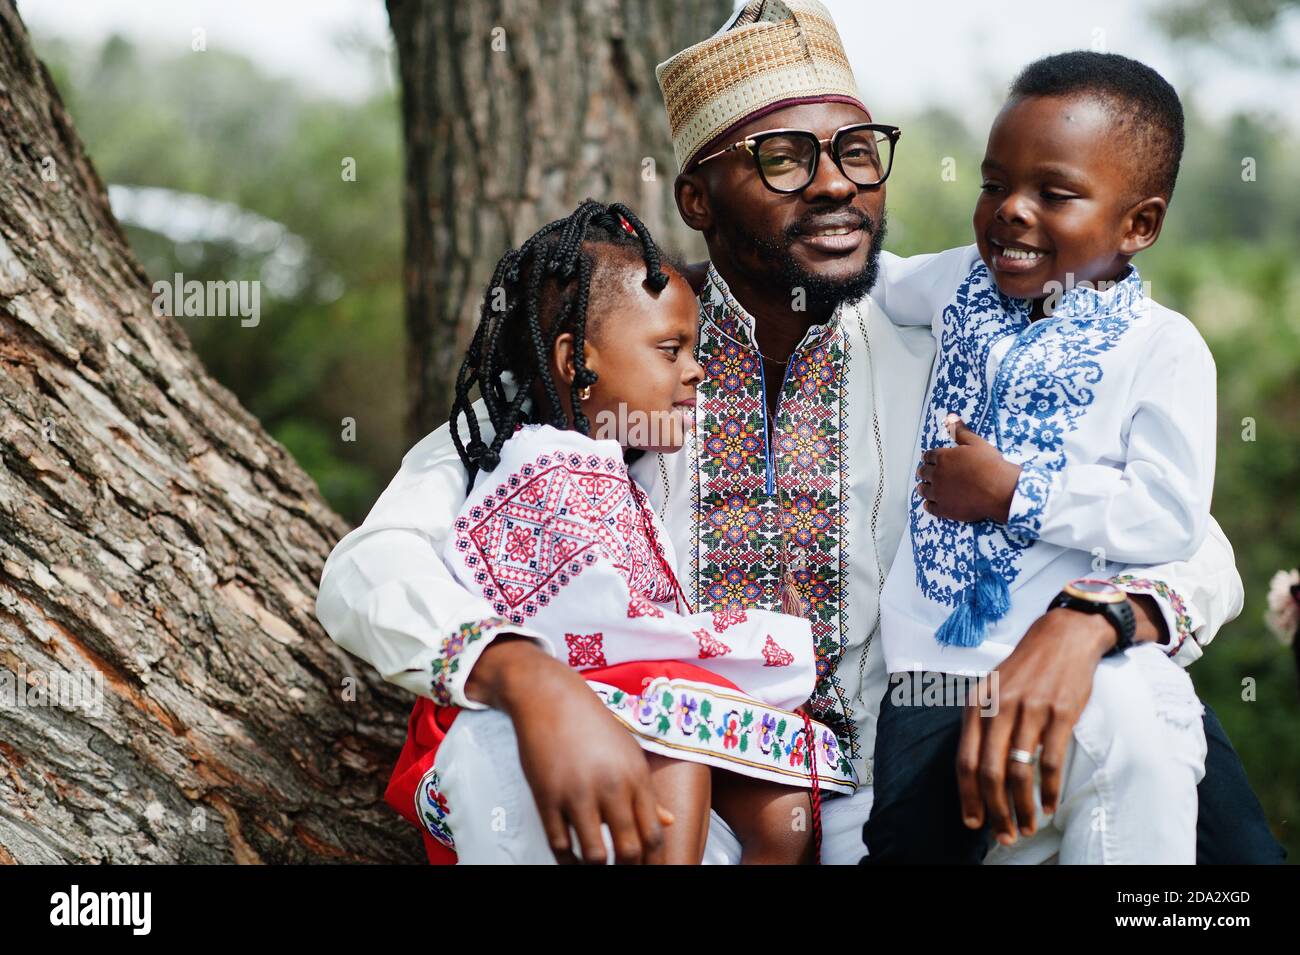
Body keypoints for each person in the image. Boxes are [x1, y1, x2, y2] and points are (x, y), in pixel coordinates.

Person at [317, 0, 1280, 864]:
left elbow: (1197, 546)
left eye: (857, 152)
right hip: (687, 801)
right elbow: (375, 563)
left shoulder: (943, 339)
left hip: (907, 793)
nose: (836, 186)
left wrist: (1093, 620)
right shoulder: (622, 355)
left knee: (1134, 706)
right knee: (497, 746)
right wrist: (521, 675)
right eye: (782, 158)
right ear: (698, 199)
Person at [384, 200, 852, 864]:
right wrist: (755, 638)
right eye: (671, 350)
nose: (697, 371)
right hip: (536, 701)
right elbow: (594, 626)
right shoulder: (533, 470)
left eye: (695, 350)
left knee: (784, 813)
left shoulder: (610, 464)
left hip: (630, 685)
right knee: (678, 753)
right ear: (578, 362)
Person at [866, 52, 1214, 863]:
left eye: (1054, 194)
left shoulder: (1162, 348)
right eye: (993, 184)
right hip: (925, 678)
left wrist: (1014, 491)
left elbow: (1169, 514)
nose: (1011, 211)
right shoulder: (958, 282)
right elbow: (870, 279)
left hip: (1065, 679)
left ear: (1139, 224)